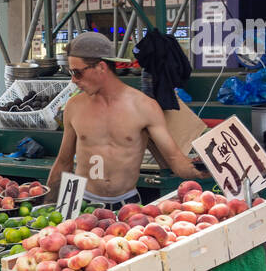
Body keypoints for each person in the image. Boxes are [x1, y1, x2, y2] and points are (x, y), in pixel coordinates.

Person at [49, 32, 204, 208]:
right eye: (71, 72)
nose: (73, 80)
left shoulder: (144, 107)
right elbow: (63, 162)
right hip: (82, 203)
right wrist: (47, 207)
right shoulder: (74, 106)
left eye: (77, 72)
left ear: (101, 67)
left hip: (126, 207)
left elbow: (175, 160)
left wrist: (207, 169)